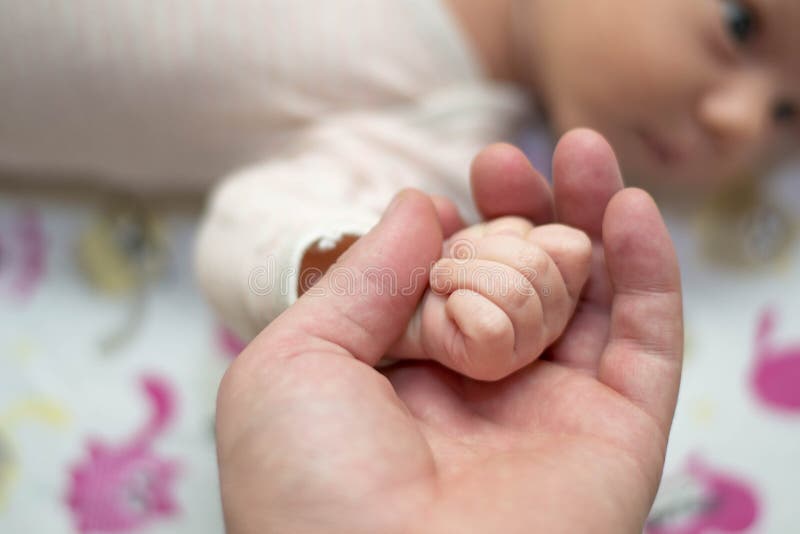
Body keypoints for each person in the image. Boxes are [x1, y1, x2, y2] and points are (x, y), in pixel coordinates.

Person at [1, 0, 794, 348]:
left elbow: (253, 237)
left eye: (792, 115)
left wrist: (388, 297)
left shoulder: (443, 156)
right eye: (739, 23)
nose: (743, 124)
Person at [215, 129, 684, 533]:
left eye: (765, 115)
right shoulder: (379, 114)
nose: (738, 119)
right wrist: (395, 296)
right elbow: (229, 228)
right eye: (741, 24)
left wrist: (413, 318)